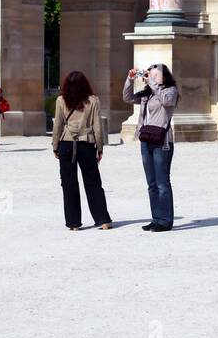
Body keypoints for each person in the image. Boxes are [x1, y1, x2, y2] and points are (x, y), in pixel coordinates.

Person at [52, 71, 112, 230]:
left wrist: (55, 145)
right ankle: (103, 220)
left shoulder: (60, 100)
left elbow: (57, 124)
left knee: (68, 184)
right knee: (93, 183)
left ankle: (73, 223)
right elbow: (97, 126)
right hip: (86, 144)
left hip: (66, 142)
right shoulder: (93, 100)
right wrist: (100, 147)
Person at [122, 63, 179, 232]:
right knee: (152, 183)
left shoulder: (170, 91)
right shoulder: (148, 94)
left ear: (164, 76)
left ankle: (166, 220)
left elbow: (167, 101)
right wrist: (130, 79)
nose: (151, 78)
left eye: (155, 75)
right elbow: (127, 97)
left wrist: (152, 84)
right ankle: (156, 218)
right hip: (146, 139)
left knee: (162, 182)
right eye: (150, 75)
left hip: (162, 142)